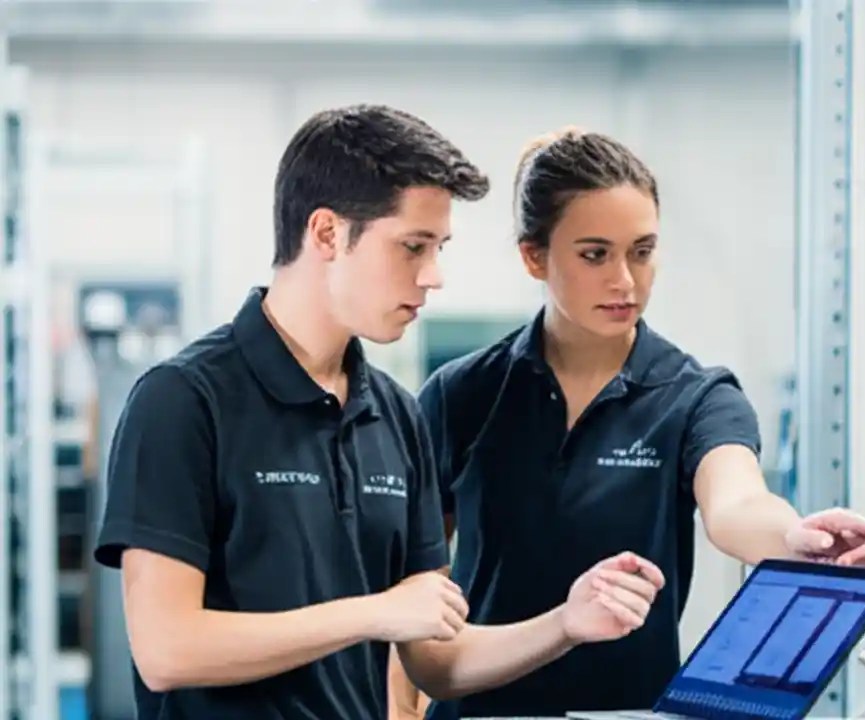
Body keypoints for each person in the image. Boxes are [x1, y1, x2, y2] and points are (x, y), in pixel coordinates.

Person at [91, 106, 666, 720]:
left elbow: (436, 662)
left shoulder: (395, 416)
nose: (434, 276)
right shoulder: (182, 401)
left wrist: (566, 624)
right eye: (412, 247)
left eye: (438, 248)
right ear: (327, 234)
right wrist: (372, 613)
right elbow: (167, 648)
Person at [399, 127, 865, 720]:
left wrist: (794, 540)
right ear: (534, 256)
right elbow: (414, 599)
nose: (625, 281)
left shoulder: (697, 396)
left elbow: (737, 503)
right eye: (595, 255)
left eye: (642, 251)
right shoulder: (461, 395)